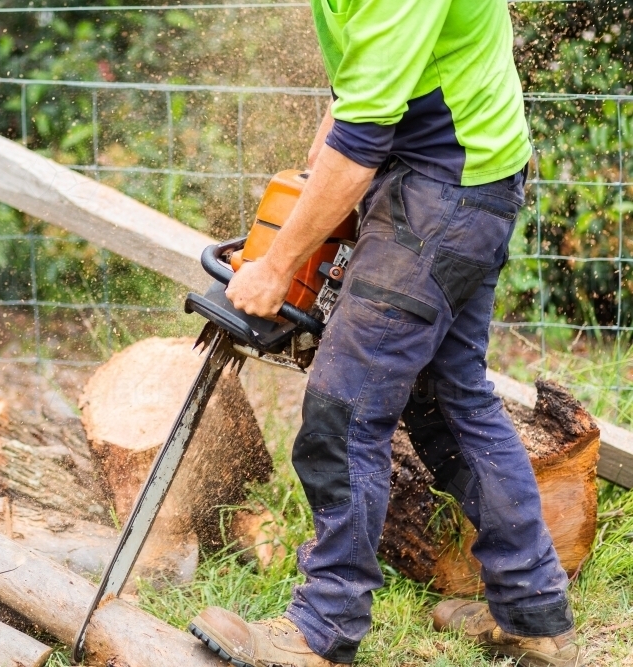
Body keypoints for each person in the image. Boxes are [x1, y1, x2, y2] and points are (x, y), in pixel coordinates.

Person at [187, 1, 584, 666]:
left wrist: (279, 265)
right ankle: (533, 616)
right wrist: (319, 172)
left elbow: (364, 137)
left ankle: (322, 628)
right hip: (460, 170)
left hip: (447, 185)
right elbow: (367, 83)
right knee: (449, 403)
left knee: (345, 406)